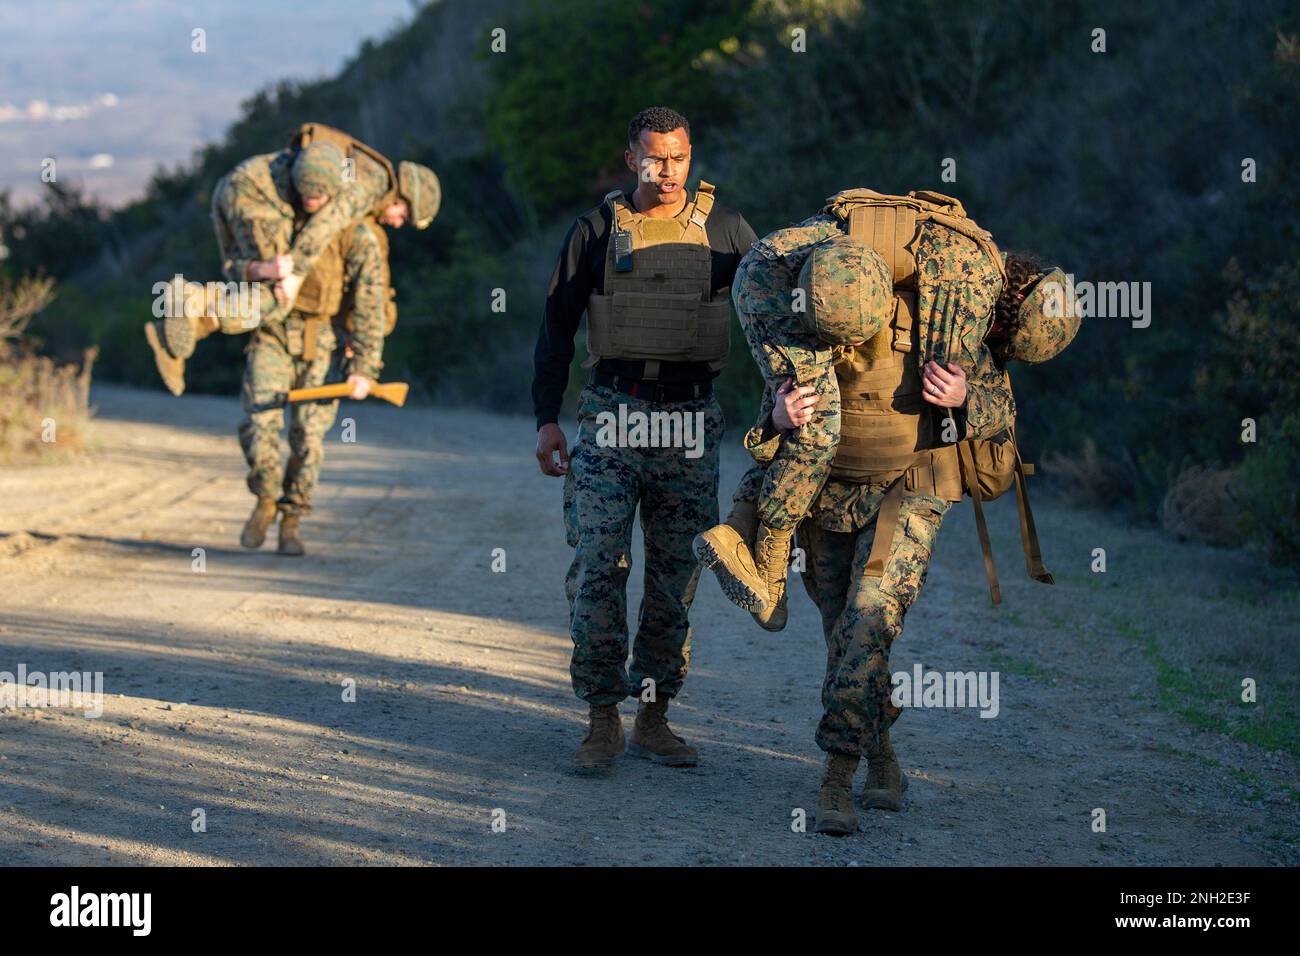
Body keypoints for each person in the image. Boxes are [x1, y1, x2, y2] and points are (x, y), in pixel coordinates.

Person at [532, 107, 755, 773]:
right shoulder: (596, 230)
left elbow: (776, 312)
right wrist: (547, 417)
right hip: (612, 416)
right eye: (653, 159)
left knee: (675, 576)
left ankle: (653, 717)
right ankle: (602, 718)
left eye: (678, 158)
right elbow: (556, 327)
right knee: (600, 566)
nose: (666, 171)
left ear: (692, 157)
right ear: (632, 159)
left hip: (689, 421)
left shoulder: (726, 232)